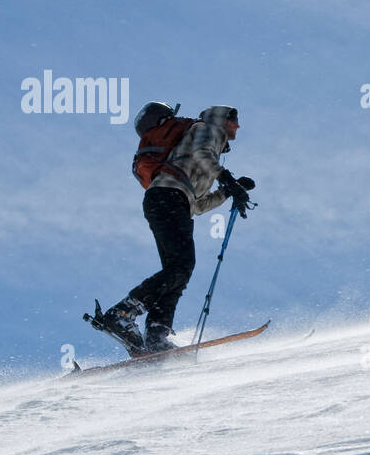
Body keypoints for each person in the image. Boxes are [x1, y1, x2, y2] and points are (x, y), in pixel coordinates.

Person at [99, 104, 255, 353]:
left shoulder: (205, 154)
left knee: (178, 270)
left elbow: (199, 205)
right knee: (181, 267)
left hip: (171, 201)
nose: (238, 124)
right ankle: (122, 314)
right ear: (221, 118)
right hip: (167, 197)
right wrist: (228, 180)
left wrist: (227, 191)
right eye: (234, 117)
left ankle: (156, 334)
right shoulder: (206, 129)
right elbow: (203, 154)